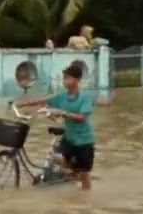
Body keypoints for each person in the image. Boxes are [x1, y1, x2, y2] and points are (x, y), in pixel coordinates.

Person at [17, 62, 96, 191]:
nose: (65, 81)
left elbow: (82, 117)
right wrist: (22, 105)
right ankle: (72, 172)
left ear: (77, 80)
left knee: (85, 177)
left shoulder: (84, 97)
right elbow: (43, 100)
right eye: (64, 78)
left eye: (68, 78)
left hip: (84, 141)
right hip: (69, 138)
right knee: (57, 157)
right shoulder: (63, 97)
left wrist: (62, 113)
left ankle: (83, 200)